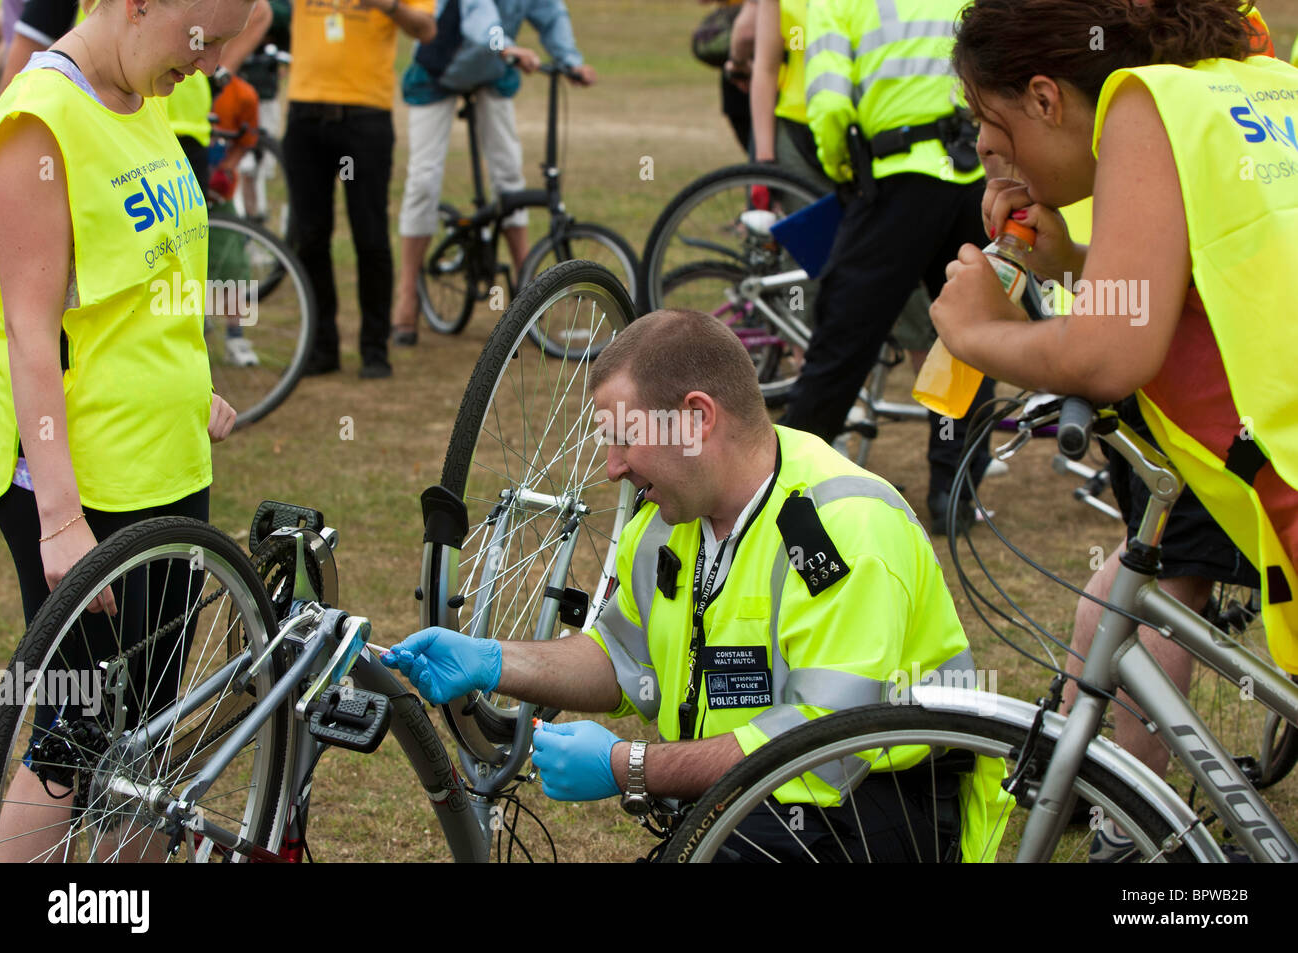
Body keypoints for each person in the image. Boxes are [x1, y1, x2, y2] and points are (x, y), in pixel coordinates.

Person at [382, 308, 1009, 861]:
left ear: (696, 418)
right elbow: (620, 659)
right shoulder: (664, 524)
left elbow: (823, 750)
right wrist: (494, 662)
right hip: (752, 803)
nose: (612, 469)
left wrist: (629, 766)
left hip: (881, 803)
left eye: (626, 438)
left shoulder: (842, 528)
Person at [931, 0, 1298, 855]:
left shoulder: (1141, 103)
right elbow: (1212, 282)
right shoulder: (1253, 83)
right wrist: (1068, 262)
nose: (987, 151)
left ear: (1046, 98)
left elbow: (1107, 354)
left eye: (992, 122)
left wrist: (974, 334)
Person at [0, 0, 255, 861]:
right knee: (73, 737)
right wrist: (60, 519)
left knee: (148, 732)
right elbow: (28, 332)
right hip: (82, 482)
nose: (211, 63)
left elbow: (155, 278)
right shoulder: (40, 119)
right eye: (203, 38)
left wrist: (192, 385)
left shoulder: (143, 93)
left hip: (166, 460)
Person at [777, 0, 997, 535]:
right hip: (973, 174)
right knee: (968, 340)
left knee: (842, 340)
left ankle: (779, 489)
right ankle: (952, 493)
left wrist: (844, 171)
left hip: (898, 176)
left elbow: (829, 102)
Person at [391, 0, 594, 346]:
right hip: (440, 67)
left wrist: (571, 61)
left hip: (492, 71)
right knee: (424, 179)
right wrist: (506, 47)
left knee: (509, 173)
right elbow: (478, 16)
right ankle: (407, 291)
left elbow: (551, 14)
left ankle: (527, 285)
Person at [285, 0, 435, 378]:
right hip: (306, 115)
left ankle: (374, 349)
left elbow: (425, 29)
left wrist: (388, 6)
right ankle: (321, 348)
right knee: (310, 237)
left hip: (364, 120)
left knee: (369, 236)